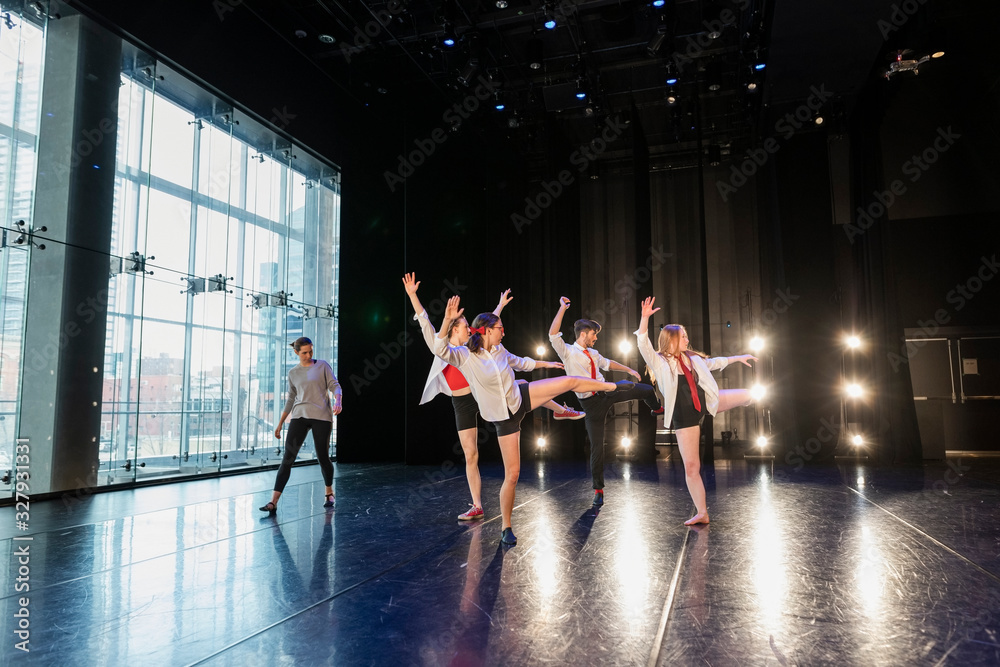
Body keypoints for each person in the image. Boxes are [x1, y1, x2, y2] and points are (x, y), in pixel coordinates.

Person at [432, 296, 635, 546]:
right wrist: (446, 320)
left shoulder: (500, 350)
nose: (503, 333)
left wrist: (548, 364)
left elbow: (523, 363)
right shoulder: (465, 355)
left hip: (520, 398)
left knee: (569, 381)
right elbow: (438, 348)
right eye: (500, 329)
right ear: (485, 331)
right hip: (504, 419)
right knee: (513, 475)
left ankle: (612, 386)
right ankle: (506, 527)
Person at [402, 274, 584, 521]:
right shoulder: (449, 349)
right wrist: (413, 295)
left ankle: (560, 409)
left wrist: (499, 307)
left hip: (483, 394)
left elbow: (488, 328)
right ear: (455, 329)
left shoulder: (476, 347)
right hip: (462, 402)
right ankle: (477, 505)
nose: (471, 329)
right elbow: (426, 325)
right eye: (466, 326)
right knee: (471, 454)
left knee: (518, 384)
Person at [635, 297, 756, 525]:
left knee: (749, 393)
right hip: (685, 417)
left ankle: (756, 400)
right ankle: (702, 512)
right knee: (692, 467)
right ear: (671, 339)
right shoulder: (660, 362)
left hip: (708, 403)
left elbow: (715, 363)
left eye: (686, 335)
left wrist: (737, 358)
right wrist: (644, 318)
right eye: (683, 336)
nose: (687, 339)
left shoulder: (693, 358)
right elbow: (643, 344)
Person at [548, 296, 662, 507]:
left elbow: (608, 364)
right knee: (597, 448)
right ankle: (598, 489)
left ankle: (657, 408)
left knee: (646, 389)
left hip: (607, 392)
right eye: (593, 335)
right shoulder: (568, 353)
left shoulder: (594, 353)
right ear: (583, 334)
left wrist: (628, 369)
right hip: (591, 405)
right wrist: (562, 308)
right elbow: (553, 335)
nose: (596, 338)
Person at [260, 337, 342, 513]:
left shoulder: (322, 366)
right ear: (296, 352)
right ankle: (273, 502)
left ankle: (329, 492)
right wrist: (280, 422)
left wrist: (338, 400)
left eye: (311, 351)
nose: (309, 355)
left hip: (321, 415)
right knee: (288, 459)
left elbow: (335, 386)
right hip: (299, 416)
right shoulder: (293, 373)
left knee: (322, 456)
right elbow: (291, 398)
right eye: (304, 352)